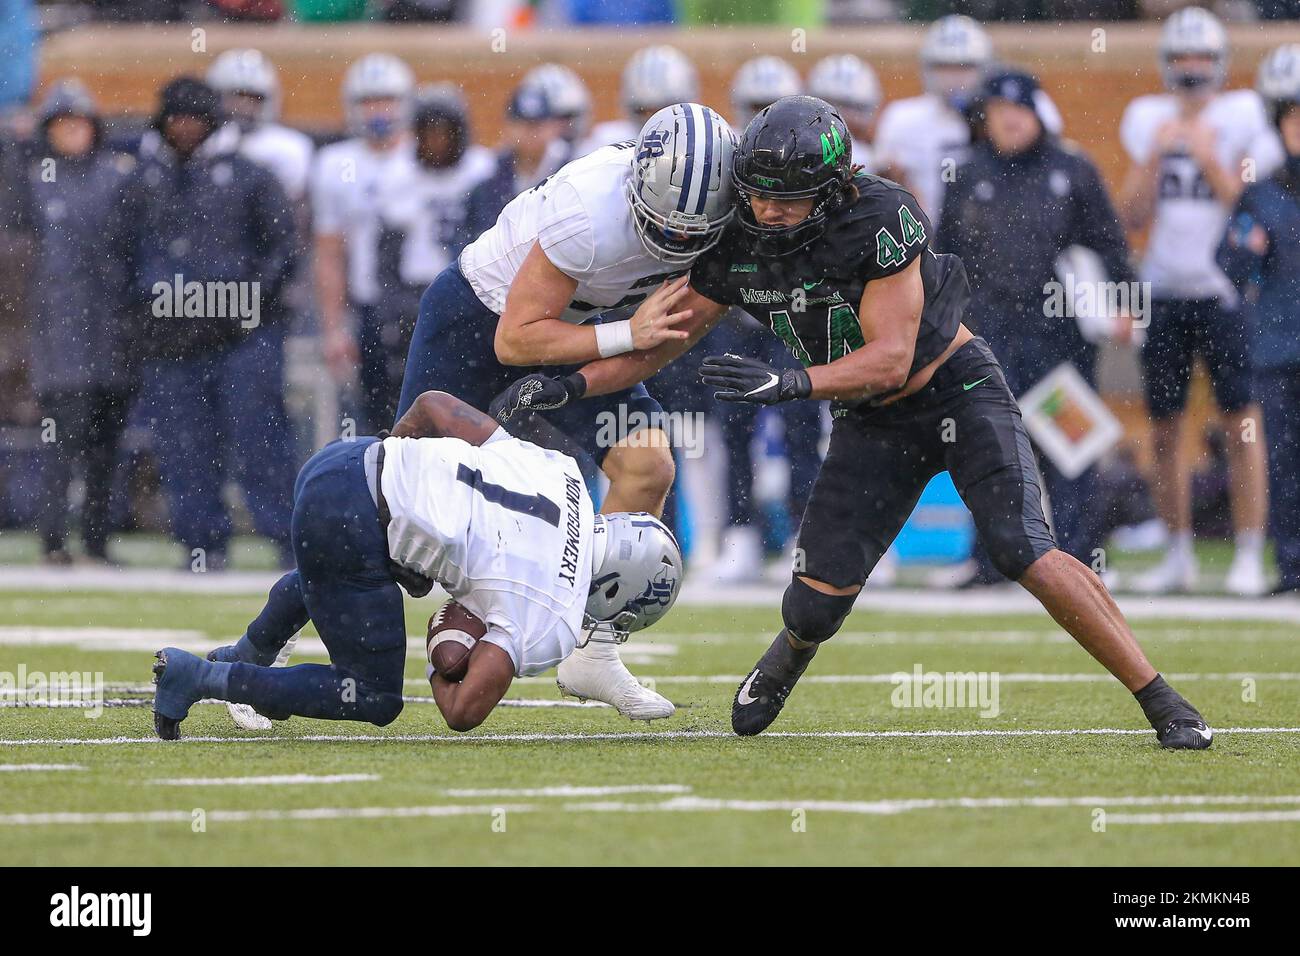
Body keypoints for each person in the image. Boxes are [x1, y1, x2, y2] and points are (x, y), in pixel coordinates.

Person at [520, 96, 1214, 750]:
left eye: (784, 198)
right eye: (756, 191)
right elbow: (662, 340)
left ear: (831, 189)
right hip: (869, 421)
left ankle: (1159, 697)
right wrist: (572, 385)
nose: (765, 209)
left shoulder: (879, 215)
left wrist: (792, 382)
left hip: (953, 388)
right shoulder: (736, 238)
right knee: (816, 605)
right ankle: (788, 656)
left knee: (1021, 548)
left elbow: (890, 358)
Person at [401, 103, 734, 720]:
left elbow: (655, 349)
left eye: (695, 234)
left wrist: (575, 386)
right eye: (666, 227)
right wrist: (623, 334)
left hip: (586, 329)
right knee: (397, 512)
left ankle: (594, 648)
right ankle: (262, 649)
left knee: (647, 467)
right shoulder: (589, 209)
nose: (678, 245)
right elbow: (516, 339)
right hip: (478, 320)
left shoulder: (733, 227)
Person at [150, 389, 683, 739]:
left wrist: (399, 462)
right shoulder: (555, 614)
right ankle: (199, 678)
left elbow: (433, 406)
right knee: (375, 696)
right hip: (348, 526)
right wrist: (442, 650)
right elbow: (461, 711)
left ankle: (244, 653)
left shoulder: (561, 471)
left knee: (345, 574)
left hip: (344, 460)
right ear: (615, 592)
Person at [939, 69, 1139, 582]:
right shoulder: (964, 173)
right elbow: (945, 257)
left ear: (1036, 113)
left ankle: (1080, 558)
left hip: (1060, 339)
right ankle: (990, 563)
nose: (1008, 120)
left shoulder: (1072, 169)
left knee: (1069, 451)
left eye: (1018, 110)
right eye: (998, 111)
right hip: (987, 339)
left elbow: (1111, 246)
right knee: (990, 450)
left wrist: (1125, 306)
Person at [1118, 6, 1280, 596]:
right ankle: (1177, 550)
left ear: (1220, 64)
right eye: (1182, 59)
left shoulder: (1242, 119)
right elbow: (1131, 215)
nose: (1191, 70)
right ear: (1167, 63)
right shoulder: (1147, 118)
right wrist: (1158, 153)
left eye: (1201, 59)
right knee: (1164, 429)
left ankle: (1250, 551)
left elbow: (1251, 203)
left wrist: (1207, 154)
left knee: (1241, 425)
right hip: (1164, 290)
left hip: (1226, 294)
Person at [121, 77, 298, 569]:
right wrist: (142, 321)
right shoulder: (142, 182)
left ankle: (288, 541)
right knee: (183, 446)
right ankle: (202, 543)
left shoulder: (250, 177)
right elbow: (120, 259)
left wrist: (245, 309)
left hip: (243, 336)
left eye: (195, 118)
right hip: (170, 338)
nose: (185, 128)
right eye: (177, 118)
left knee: (259, 435)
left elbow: (282, 251)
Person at [24, 81, 136, 565]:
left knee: (105, 449)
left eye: (79, 122)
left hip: (111, 332)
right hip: (58, 333)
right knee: (59, 443)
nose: (72, 132)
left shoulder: (118, 177)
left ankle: (95, 540)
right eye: (62, 123)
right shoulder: (30, 182)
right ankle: (53, 539)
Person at [1218, 44, 1300, 596]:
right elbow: (1227, 258)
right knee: (1286, 463)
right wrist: (1250, 250)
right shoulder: (1262, 191)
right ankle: (1291, 566)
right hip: (1278, 347)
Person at [372, 85, 494, 427]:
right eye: (429, 132)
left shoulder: (482, 172)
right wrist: (391, 307)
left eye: (445, 132)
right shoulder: (398, 177)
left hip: (470, 292)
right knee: (409, 395)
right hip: (417, 294)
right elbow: (386, 256)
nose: (437, 141)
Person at [312, 53, 418, 433]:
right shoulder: (334, 163)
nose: (378, 110)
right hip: (371, 308)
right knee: (378, 424)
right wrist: (334, 328)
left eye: (386, 99)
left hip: (425, 302)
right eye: (368, 101)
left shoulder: (430, 156)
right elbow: (330, 253)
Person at [874, 14, 993, 222]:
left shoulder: (1004, 113)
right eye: (945, 68)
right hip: (921, 239)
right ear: (928, 69)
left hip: (985, 237)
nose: (956, 79)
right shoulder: (901, 118)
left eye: (965, 67)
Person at [458, 71, 586, 250]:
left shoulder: (574, 170)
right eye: (523, 124)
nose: (530, 133)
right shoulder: (489, 178)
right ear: (509, 127)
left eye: (538, 124)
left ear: (554, 126)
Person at [206, 48, 314, 205]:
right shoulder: (205, 142)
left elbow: (290, 205)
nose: (244, 105)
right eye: (237, 96)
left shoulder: (291, 147)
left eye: (253, 98)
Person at [579, 45, 699, 154]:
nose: (654, 121)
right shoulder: (605, 143)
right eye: (644, 111)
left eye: (664, 110)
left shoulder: (704, 141)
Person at [807, 54, 882, 171]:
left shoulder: (879, 157)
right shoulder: (877, 161)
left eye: (855, 108)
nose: (844, 117)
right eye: (831, 105)